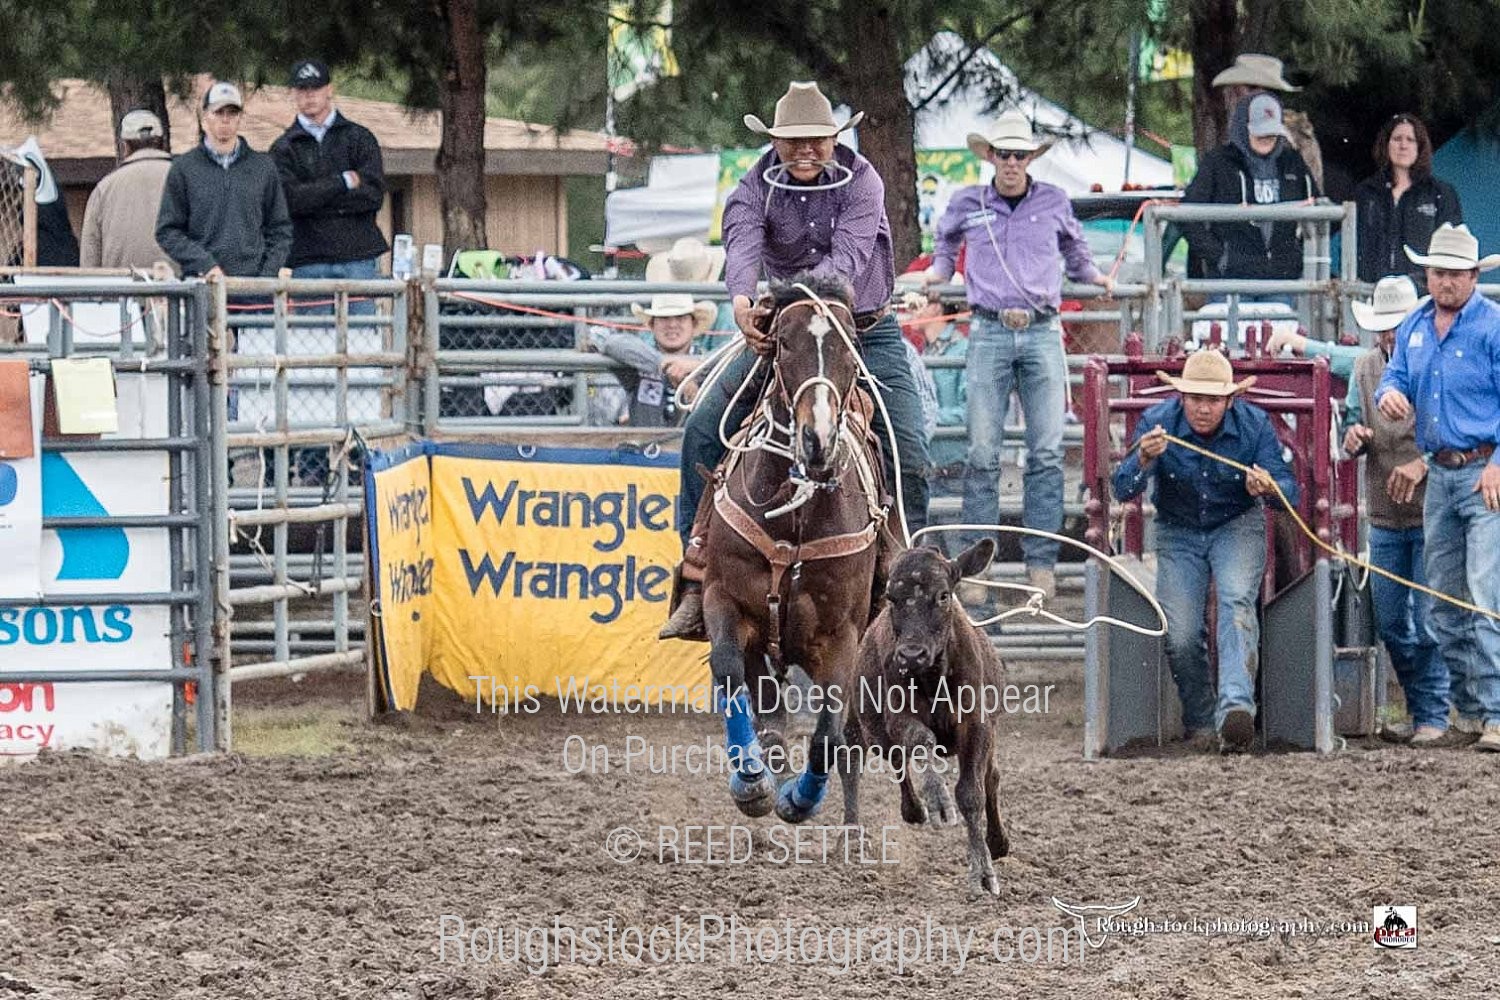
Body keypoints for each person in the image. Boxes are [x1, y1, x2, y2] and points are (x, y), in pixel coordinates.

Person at [658, 81, 931, 641]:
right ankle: (696, 573)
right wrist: (740, 301)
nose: (805, 150)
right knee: (704, 428)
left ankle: (906, 579)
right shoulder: (754, 186)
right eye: (792, 141)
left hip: (863, 331)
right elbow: (740, 242)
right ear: (775, 142)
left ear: (834, 139)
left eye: (816, 140)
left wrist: (792, 299)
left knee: (911, 448)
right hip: (786, 334)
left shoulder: (865, 183)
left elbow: (848, 258)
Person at [924, 110, 1114, 600]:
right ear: (990, 156)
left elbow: (1076, 249)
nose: (1011, 162)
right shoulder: (969, 201)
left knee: (1046, 452)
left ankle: (1041, 562)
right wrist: (940, 275)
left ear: (1030, 158)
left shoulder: (1051, 201)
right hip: (987, 327)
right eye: (1004, 153)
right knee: (983, 454)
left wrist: (1093, 277)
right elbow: (944, 243)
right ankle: (978, 567)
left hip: (1040, 329)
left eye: (1019, 154)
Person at [1113, 350, 1300, 752]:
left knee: (1236, 604)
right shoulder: (1155, 424)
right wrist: (1143, 457)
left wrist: (1267, 487)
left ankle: (1235, 709)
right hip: (1178, 529)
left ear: (1229, 401)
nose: (1202, 408)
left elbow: (1289, 491)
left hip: (1236, 523)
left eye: (1212, 400)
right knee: (1180, 632)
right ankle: (1201, 715)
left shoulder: (1254, 426)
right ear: (1182, 397)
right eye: (1195, 398)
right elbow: (1122, 487)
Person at [1376, 223, 1500, 752]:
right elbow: (1395, 377)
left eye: (1454, 273)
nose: (1445, 281)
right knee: (1442, 602)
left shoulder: (1493, 327)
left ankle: (1495, 711)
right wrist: (1388, 395)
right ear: (1427, 274)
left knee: (1483, 588)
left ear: (1473, 276)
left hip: (1483, 470)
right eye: (1438, 272)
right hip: (1443, 472)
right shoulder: (1414, 327)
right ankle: (1471, 713)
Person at [1341, 275, 1451, 744]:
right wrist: (1352, 437)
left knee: (1429, 618)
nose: (1389, 336)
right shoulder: (1364, 370)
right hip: (1386, 514)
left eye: (1396, 326)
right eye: (1384, 328)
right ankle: (1423, 705)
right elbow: (1349, 421)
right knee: (1390, 621)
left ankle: (1433, 712)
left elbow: (1456, 434)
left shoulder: (1438, 366)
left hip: (1432, 513)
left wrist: (1422, 464)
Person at [1182, 93, 1318, 296]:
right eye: (1260, 132)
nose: (1267, 138)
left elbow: (1321, 210)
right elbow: (1187, 216)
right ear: (1242, 127)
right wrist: (1220, 256)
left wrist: (1294, 255)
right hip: (1229, 283)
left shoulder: (1293, 162)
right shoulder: (1218, 162)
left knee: (1283, 329)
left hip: (1281, 282)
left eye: (1272, 132)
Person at [156, 81, 293, 278]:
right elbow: (167, 231)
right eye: (218, 112)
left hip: (254, 290)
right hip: (203, 285)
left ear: (240, 119)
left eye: (232, 113)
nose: (225, 120)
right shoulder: (183, 168)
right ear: (205, 118)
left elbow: (280, 229)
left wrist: (267, 275)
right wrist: (204, 264)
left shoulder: (263, 167)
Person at [270, 60, 389, 281]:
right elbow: (291, 201)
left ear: (329, 89)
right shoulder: (283, 148)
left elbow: (373, 196)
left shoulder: (359, 138)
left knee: (362, 318)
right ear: (294, 94)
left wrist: (314, 197)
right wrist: (343, 182)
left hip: (358, 258)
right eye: (303, 89)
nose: (310, 95)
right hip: (309, 260)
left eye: (316, 88)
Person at [1353, 114, 1462, 287]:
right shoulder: (1366, 192)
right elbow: (1352, 243)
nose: (1403, 145)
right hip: (1371, 291)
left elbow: (1453, 244)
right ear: (1386, 144)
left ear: (1420, 147)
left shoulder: (1440, 193)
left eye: (1410, 140)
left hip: (1422, 293)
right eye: (1397, 139)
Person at [592, 293, 715, 427]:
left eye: (680, 317)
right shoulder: (639, 361)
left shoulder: (707, 364)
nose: (672, 324)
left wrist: (693, 370)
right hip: (645, 444)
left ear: (694, 324)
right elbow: (612, 343)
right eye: (664, 318)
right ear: (652, 325)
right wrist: (664, 364)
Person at [80, 110, 175, 272]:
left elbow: (90, 259)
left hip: (122, 290)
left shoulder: (105, 188)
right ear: (162, 142)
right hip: (181, 291)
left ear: (125, 146)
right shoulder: (188, 181)